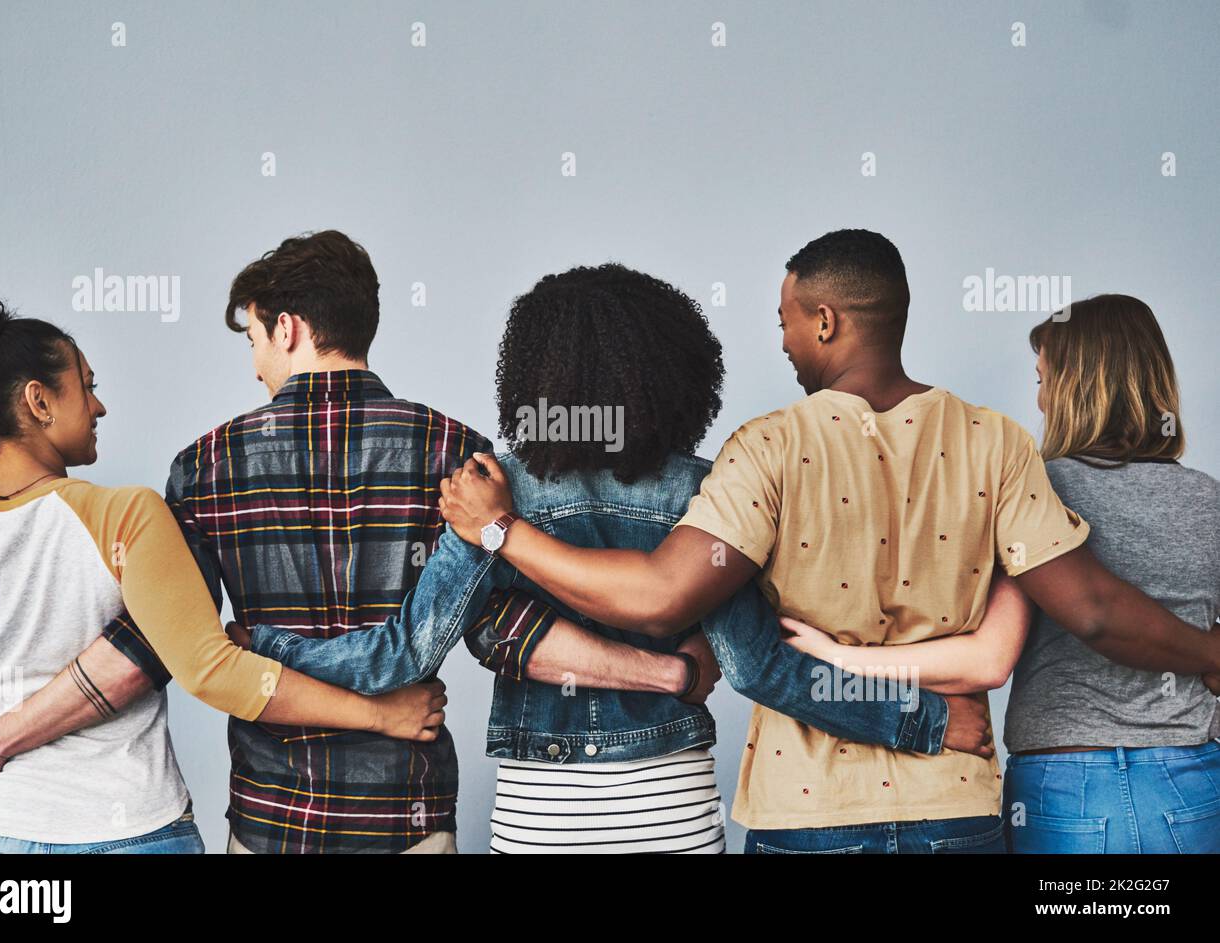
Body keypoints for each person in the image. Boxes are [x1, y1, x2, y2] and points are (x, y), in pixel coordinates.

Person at [438, 230, 1220, 854]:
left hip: (804, 812)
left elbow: (664, 596)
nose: (780, 342)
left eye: (785, 320)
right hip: (953, 802)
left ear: (825, 320)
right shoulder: (999, 442)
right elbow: (1081, 609)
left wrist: (501, 530)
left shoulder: (766, 448)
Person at [243, 263, 1001, 853]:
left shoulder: (494, 489)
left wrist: (257, 643)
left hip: (543, 814)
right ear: (671, 371)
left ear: (534, 376)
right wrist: (924, 721)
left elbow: (400, 652)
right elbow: (762, 666)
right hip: (667, 805)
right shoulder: (703, 488)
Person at [0, 297, 443, 855]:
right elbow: (212, 670)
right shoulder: (126, 515)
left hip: (6, 840)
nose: (99, 407)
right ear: (38, 400)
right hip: (134, 835)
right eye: (86, 386)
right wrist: (378, 714)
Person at [1001, 295, 1220, 852]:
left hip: (1065, 784)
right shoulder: (1207, 499)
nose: (1041, 400)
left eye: (1044, 380)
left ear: (1075, 389)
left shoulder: (1036, 493)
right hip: (1192, 778)